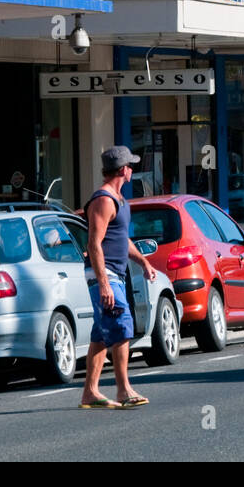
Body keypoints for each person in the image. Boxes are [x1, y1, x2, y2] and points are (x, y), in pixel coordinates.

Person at [80, 145, 158, 409]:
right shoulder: (103, 200)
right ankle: (124, 390)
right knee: (122, 328)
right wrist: (104, 283)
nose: (132, 170)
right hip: (104, 274)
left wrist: (144, 261)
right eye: (131, 166)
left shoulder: (118, 200)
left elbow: (121, 239)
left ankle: (90, 392)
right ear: (123, 170)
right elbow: (94, 244)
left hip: (114, 272)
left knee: (101, 335)